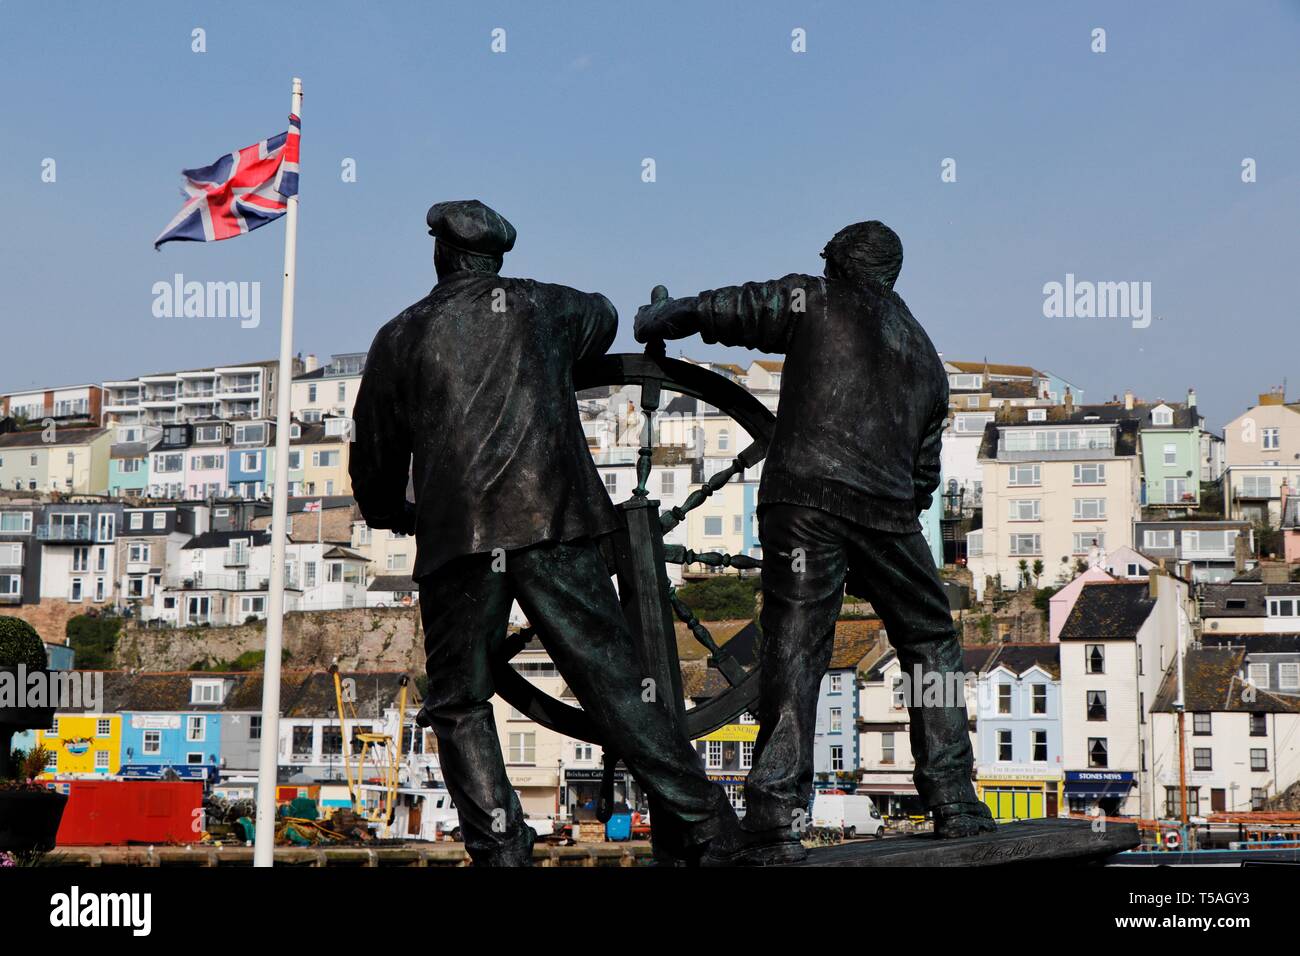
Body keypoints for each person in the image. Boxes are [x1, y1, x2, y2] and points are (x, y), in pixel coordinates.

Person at [350, 199, 735, 866]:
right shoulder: (543, 308)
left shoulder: (400, 337)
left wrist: (394, 514)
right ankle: (703, 823)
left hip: (459, 539)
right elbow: (606, 315)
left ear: (442, 253)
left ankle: (500, 849)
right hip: (556, 521)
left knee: (459, 700)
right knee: (615, 682)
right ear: (497, 256)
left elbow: (374, 457)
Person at [634, 220, 996, 866]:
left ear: (840, 262)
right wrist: (878, 541)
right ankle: (954, 799)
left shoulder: (815, 300)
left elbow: (732, 308)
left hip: (804, 501)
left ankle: (774, 821)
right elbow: (923, 476)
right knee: (932, 641)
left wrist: (665, 315)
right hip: (887, 516)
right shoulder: (925, 356)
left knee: (798, 647)